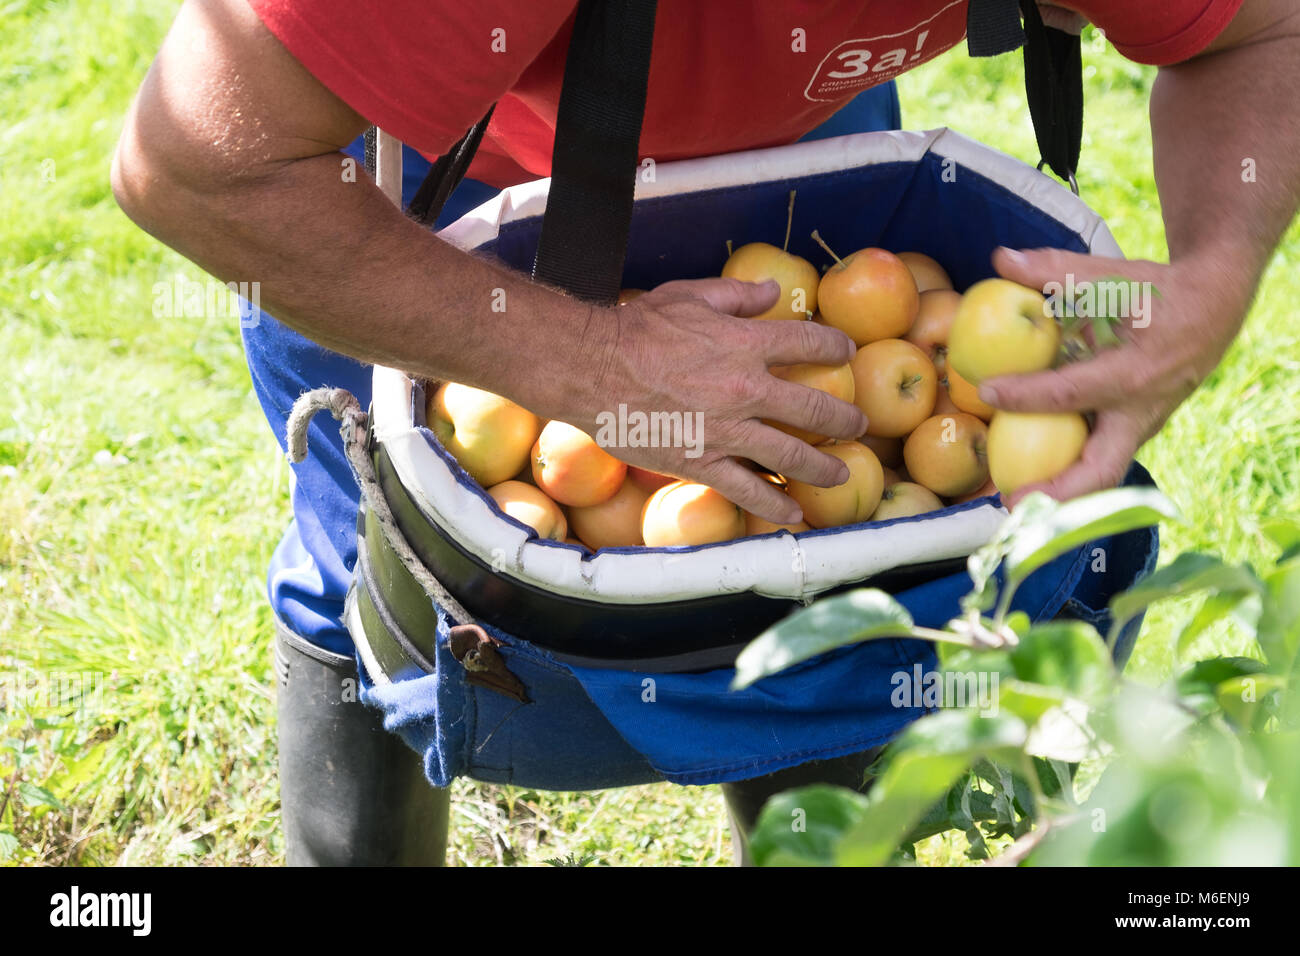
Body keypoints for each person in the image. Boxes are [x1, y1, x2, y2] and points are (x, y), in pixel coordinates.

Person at [112, 0, 1300, 865]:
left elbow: (1261, 33)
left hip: (796, 146)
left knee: (806, 591)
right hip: (432, 204)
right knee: (386, 577)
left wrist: (1216, 265)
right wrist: (584, 356)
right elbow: (200, 170)